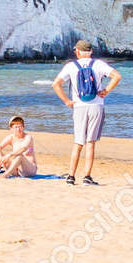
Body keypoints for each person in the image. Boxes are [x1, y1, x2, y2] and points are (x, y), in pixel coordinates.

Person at [50, 40, 120, 185]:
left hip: (79, 107)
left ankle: (71, 176)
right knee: (91, 143)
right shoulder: (98, 64)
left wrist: (67, 101)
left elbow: (55, 84)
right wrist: (106, 91)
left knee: (78, 143)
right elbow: (117, 76)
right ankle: (87, 177)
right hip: (96, 105)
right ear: (91, 52)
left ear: (78, 52)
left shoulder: (71, 66)